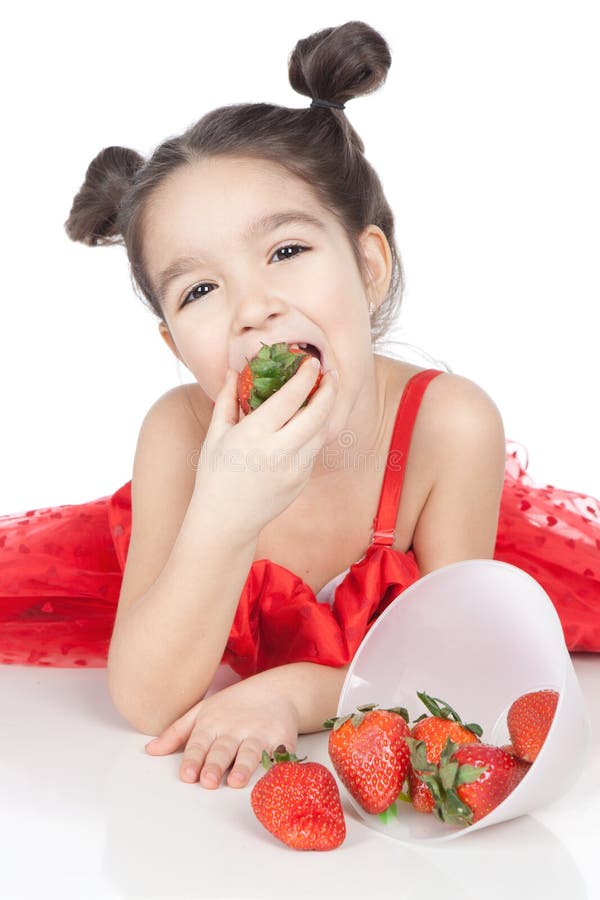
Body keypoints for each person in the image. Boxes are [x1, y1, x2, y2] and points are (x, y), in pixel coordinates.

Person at [1, 21, 598, 793]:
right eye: (200, 290)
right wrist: (224, 511)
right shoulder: (177, 434)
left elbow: (453, 672)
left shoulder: (450, 428)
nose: (253, 309)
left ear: (369, 265)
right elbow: (150, 700)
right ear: (175, 344)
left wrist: (293, 693)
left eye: (286, 252)